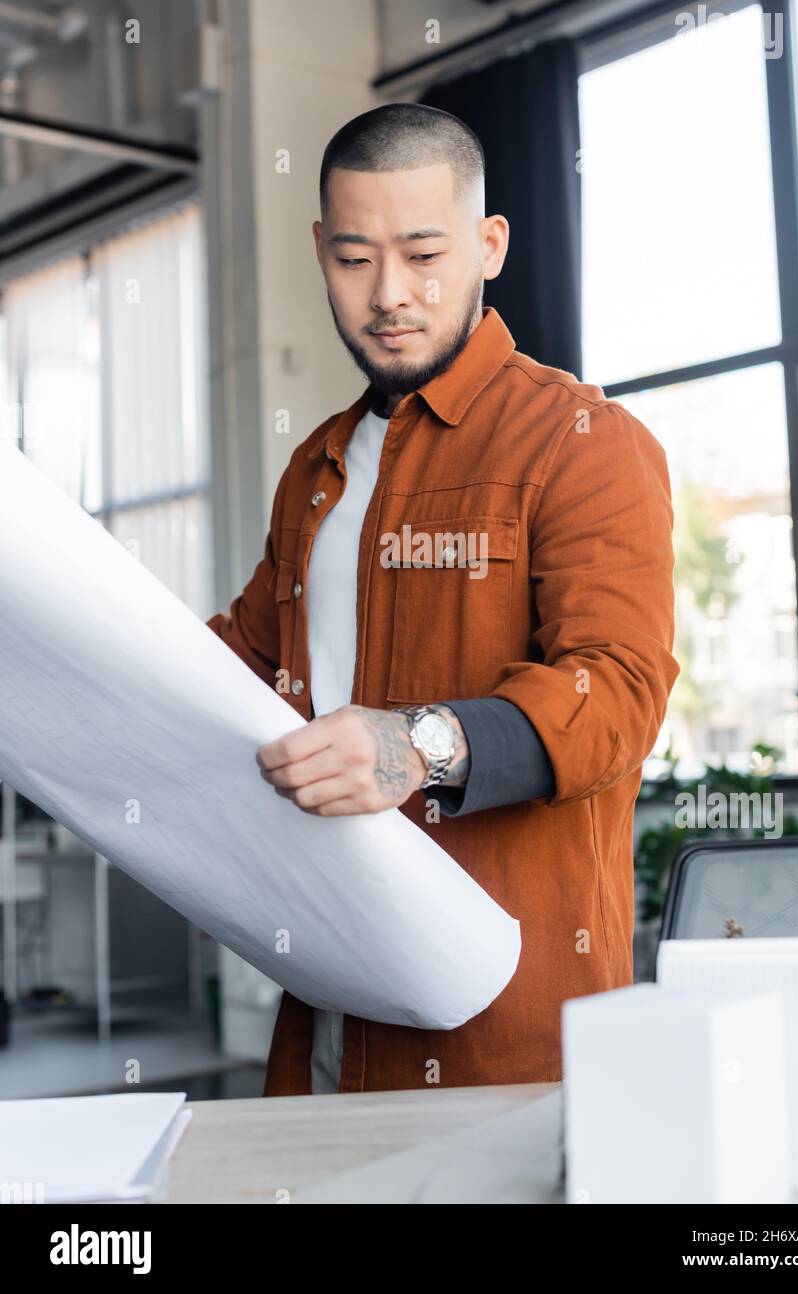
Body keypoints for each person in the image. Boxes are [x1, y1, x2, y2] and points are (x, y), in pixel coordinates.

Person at [206, 102, 679, 1095]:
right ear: (320, 252)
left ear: (489, 245)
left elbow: (619, 693)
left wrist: (415, 746)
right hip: (327, 1001)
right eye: (354, 258)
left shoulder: (584, 443)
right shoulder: (316, 469)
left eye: (424, 254)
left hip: (505, 1032)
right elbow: (233, 666)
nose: (390, 295)